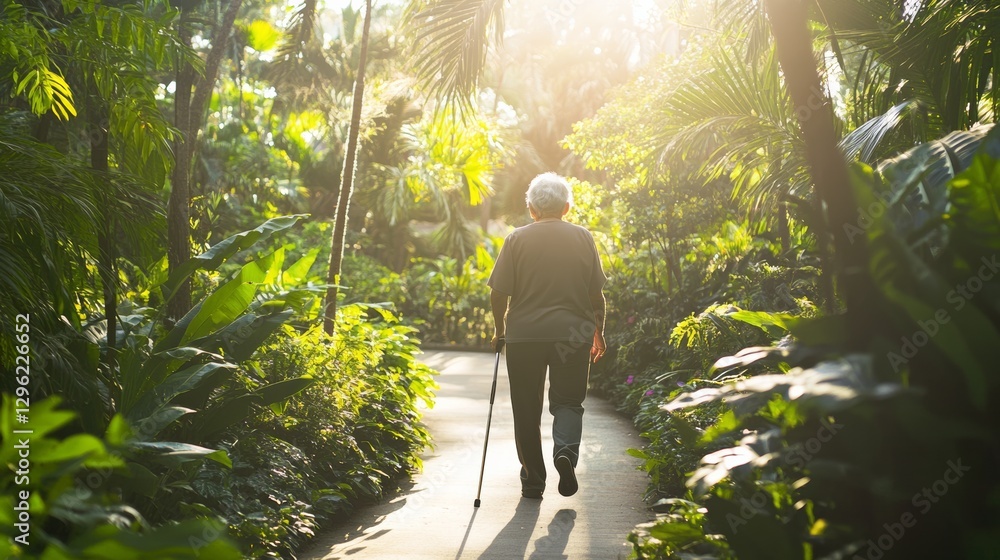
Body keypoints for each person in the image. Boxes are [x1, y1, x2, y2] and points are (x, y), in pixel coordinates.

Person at [487, 172, 607, 499]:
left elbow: (498, 293)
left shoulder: (517, 239)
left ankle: (533, 481)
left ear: (531, 208)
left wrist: (500, 330)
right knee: (568, 402)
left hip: (525, 336)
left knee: (526, 408)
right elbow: (595, 295)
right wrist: (598, 331)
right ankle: (565, 453)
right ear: (566, 208)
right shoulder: (583, 237)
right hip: (574, 333)